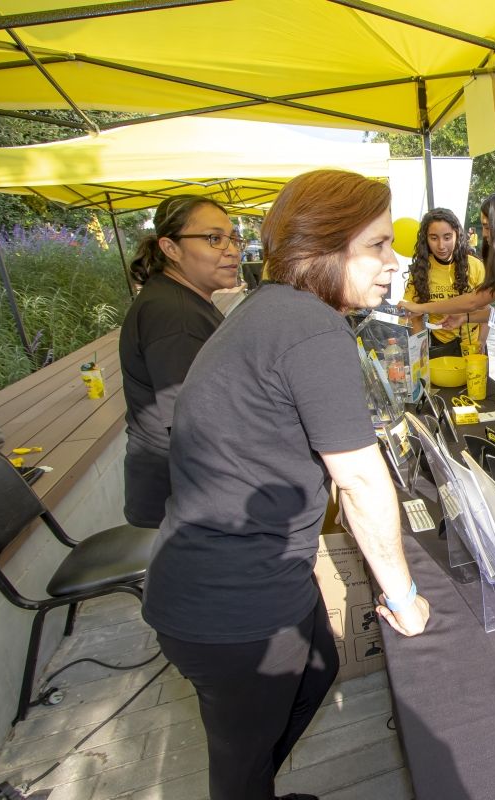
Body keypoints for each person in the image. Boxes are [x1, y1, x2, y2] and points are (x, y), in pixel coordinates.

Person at [142, 170, 431, 800]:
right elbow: (357, 477)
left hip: (252, 576)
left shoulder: (277, 309)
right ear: (324, 249)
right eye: (378, 245)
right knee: (241, 762)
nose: (394, 259)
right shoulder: (310, 326)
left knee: (319, 667)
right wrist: (404, 596)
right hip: (230, 601)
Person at [119, 195, 237, 528]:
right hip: (178, 503)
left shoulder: (182, 299)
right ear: (171, 248)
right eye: (214, 238)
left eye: (232, 238)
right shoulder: (175, 315)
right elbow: (193, 424)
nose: (231, 249)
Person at [399, 193, 495, 386]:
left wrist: (423, 308)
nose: (484, 234)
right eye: (434, 238)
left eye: (486, 227)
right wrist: (465, 318)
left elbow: (474, 302)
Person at [401, 207, 485, 357]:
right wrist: (422, 355)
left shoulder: (475, 266)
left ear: (457, 235)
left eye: (447, 237)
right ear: (425, 239)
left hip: (474, 347)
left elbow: (486, 311)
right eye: (434, 238)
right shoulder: (421, 270)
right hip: (440, 347)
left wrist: (482, 343)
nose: (441, 246)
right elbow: (415, 318)